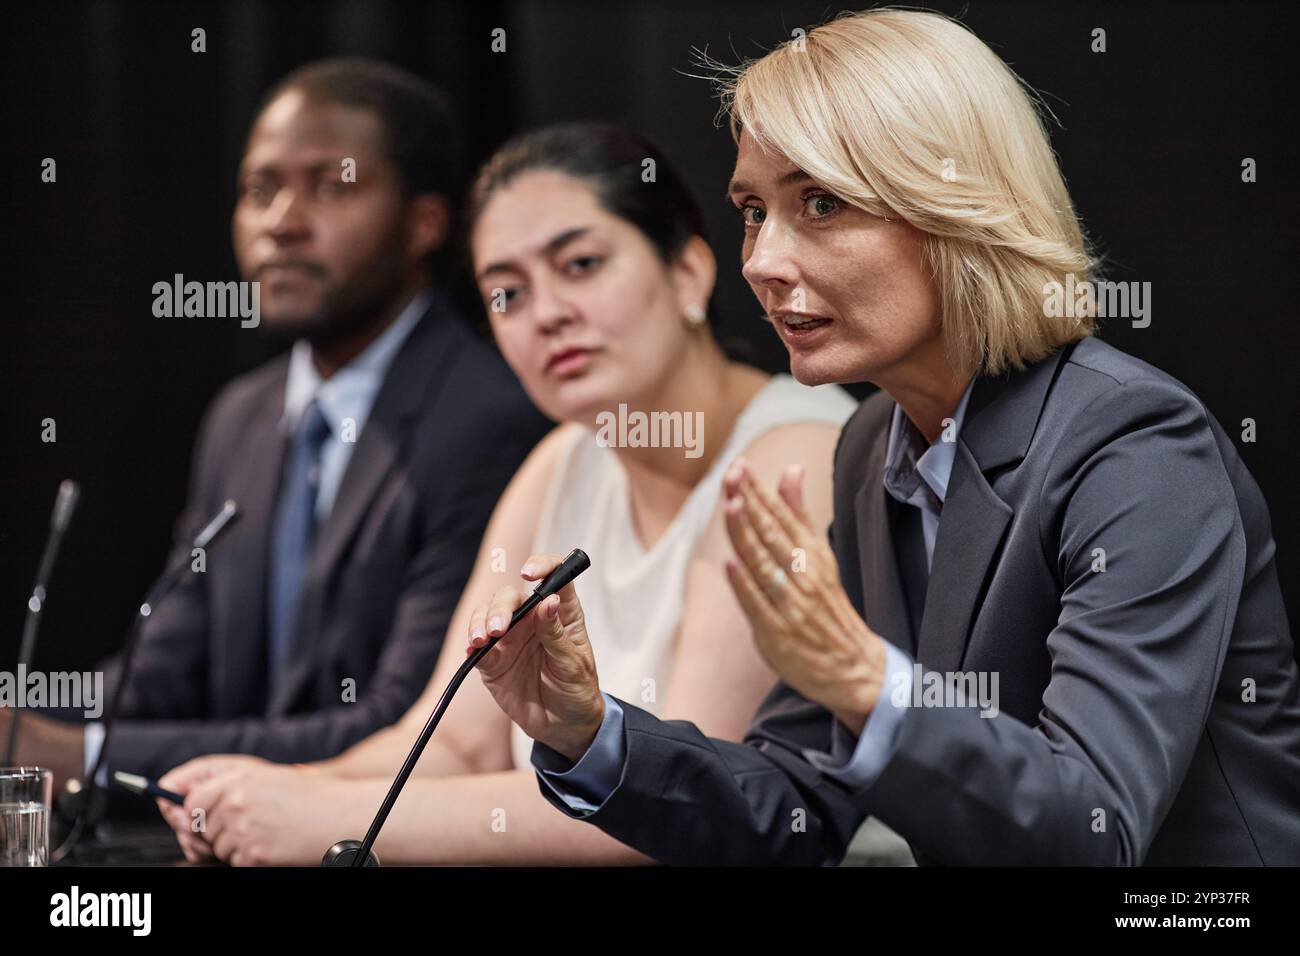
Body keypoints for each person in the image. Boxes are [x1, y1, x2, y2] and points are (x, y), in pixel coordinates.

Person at [469, 10, 1300, 865]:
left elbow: (1094, 828)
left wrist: (868, 684)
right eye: (754, 210)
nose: (759, 260)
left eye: (820, 203)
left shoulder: (1135, 444)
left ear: (956, 209)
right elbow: (794, 806)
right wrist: (590, 730)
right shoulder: (871, 443)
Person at [154, 122, 859, 866]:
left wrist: (317, 814)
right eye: (508, 292)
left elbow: (672, 812)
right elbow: (453, 739)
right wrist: (261, 789)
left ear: (687, 272)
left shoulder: (794, 453)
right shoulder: (559, 461)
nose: (547, 313)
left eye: (581, 264)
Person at [0, 58, 551, 790]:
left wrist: (85, 756)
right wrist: (25, 720)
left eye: (332, 186)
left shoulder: (491, 416)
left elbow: (400, 725)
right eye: (260, 190)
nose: (281, 223)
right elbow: (162, 669)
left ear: (425, 223)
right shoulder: (241, 416)